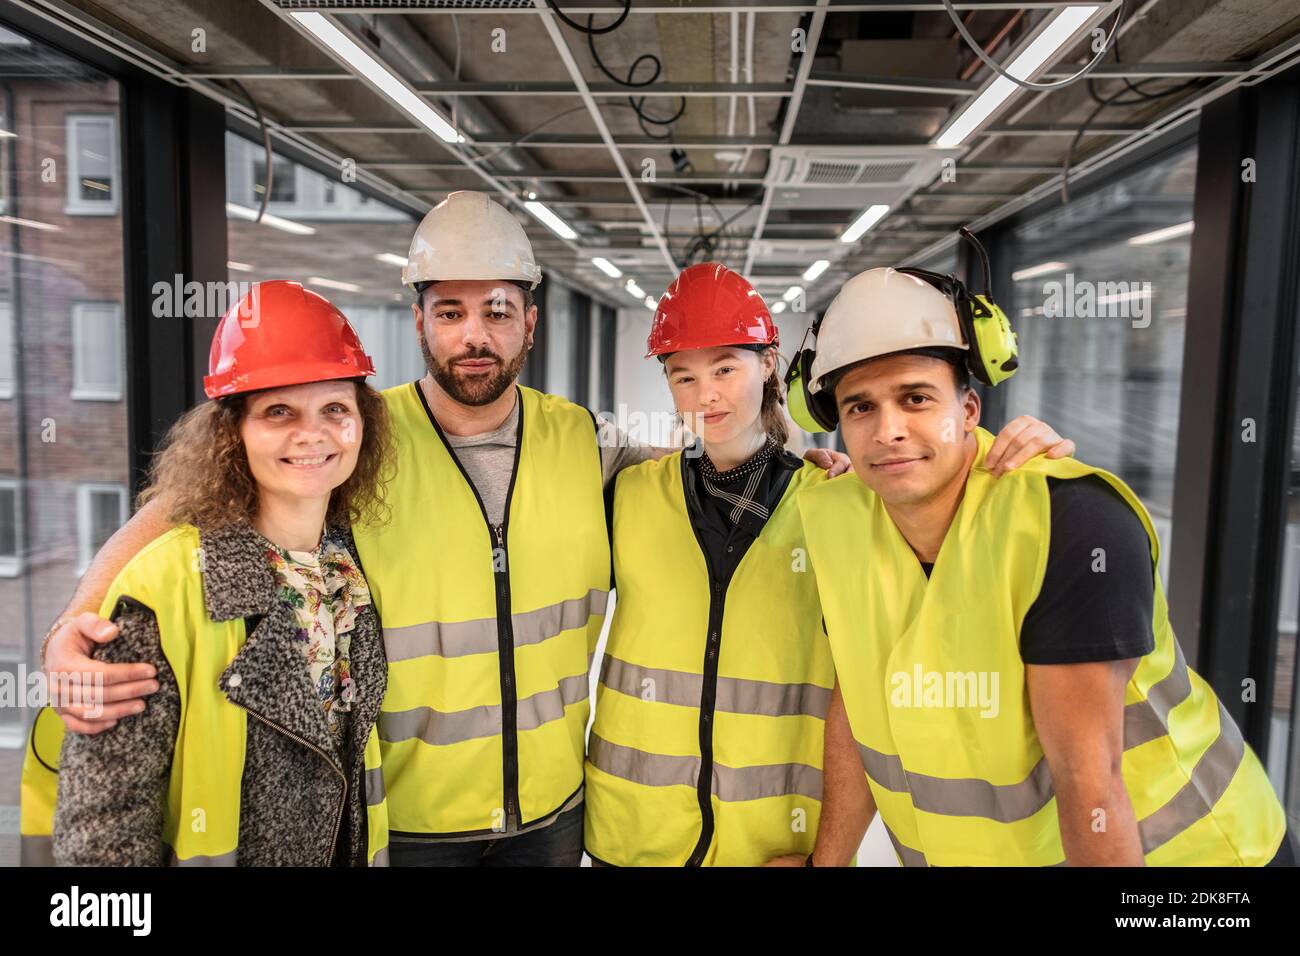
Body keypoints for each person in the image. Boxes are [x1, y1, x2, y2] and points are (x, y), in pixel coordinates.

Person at [33, 192, 849, 867]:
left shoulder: (588, 445)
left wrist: (816, 459)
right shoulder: (355, 440)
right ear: (419, 319)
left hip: (554, 817)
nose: (474, 334)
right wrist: (77, 621)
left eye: (497, 309)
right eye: (450, 310)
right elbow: (185, 503)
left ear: (530, 320)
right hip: (409, 824)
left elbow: (712, 461)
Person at [793, 264, 1289, 866]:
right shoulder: (837, 519)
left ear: (969, 409)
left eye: (916, 398)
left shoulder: (1069, 522)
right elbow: (858, 699)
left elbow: (1092, 783)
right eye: (860, 408)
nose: (888, 431)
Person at [584, 263, 1076, 866]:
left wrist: (1019, 453)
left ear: (769, 363)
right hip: (631, 832)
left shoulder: (836, 503)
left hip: (770, 840)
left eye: (725, 368)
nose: (705, 395)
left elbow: (940, 497)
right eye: (682, 376)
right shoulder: (630, 493)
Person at [21, 280, 393, 866]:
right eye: (279, 412)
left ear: (362, 424)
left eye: (335, 409)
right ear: (232, 433)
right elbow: (104, 826)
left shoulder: (346, 568)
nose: (312, 433)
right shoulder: (163, 588)